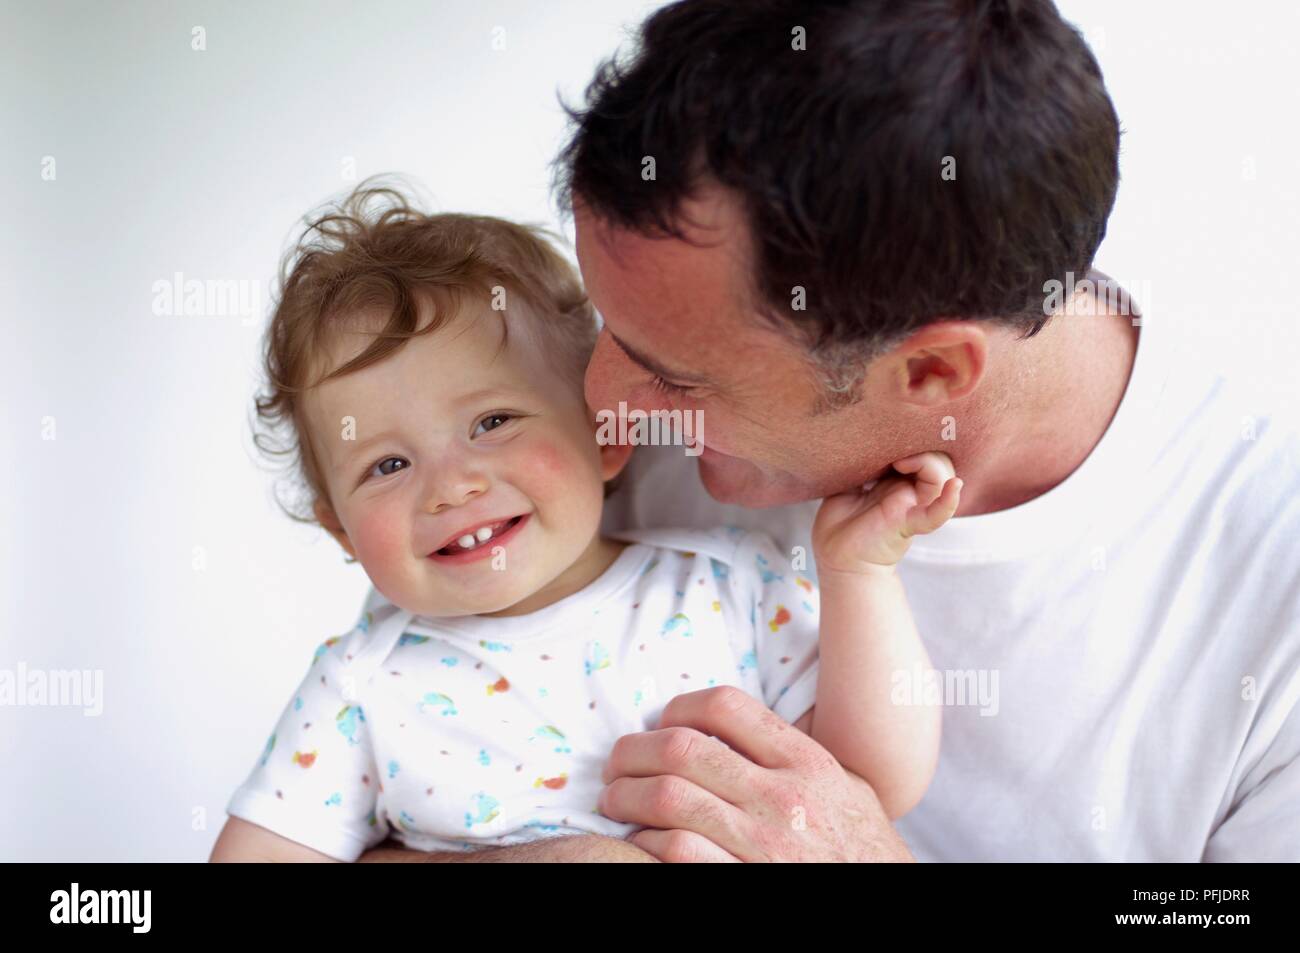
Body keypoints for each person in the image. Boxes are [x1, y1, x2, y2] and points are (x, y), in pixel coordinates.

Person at [451, 0, 1294, 861]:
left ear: (932, 372)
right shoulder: (589, 441)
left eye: (674, 374)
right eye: (608, 327)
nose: (599, 403)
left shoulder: (1273, 595)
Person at [208, 181, 961, 862]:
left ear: (606, 433)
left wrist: (858, 573)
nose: (451, 485)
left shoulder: (729, 582)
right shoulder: (359, 684)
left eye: (493, 420)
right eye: (387, 466)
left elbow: (870, 784)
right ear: (341, 531)